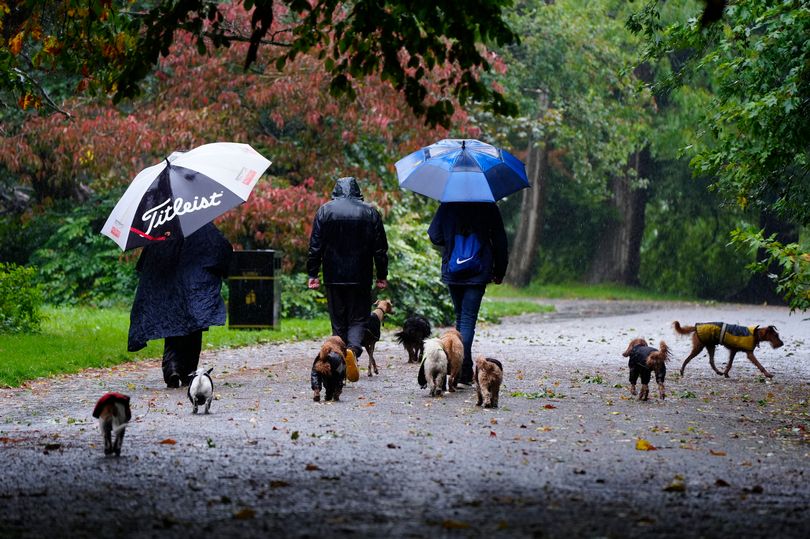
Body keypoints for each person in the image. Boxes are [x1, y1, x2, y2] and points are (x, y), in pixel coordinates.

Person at [128, 222, 233, 388]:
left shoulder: (163, 228)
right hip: (197, 287)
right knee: (194, 329)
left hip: (171, 287)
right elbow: (222, 251)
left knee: (173, 325)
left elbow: (144, 264)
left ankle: (172, 366)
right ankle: (188, 372)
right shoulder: (203, 225)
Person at [307, 177, 389, 381]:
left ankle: (340, 359)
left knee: (338, 320)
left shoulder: (325, 211)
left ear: (335, 191)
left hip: (333, 276)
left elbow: (315, 246)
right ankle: (352, 350)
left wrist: (313, 273)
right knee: (359, 318)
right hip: (361, 276)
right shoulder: (370, 212)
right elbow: (380, 249)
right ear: (357, 191)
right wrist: (381, 275)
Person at [428, 202, 508, 385]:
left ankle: (462, 370)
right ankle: (462, 370)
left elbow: (434, 235)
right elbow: (500, 239)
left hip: (453, 268)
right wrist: (500, 270)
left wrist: (451, 241)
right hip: (478, 270)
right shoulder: (487, 205)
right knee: (467, 320)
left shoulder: (448, 204)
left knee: (460, 318)